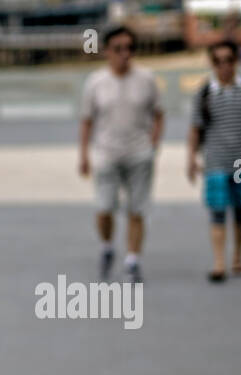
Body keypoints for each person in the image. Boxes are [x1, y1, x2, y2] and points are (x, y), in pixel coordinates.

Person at [186, 39, 241, 282]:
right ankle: (219, 262)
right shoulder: (205, 92)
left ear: (236, 60)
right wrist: (191, 159)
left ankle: (237, 256)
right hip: (215, 159)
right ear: (211, 63)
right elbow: (195, 128)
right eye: (217, 61)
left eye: (228, 60)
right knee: (217, 210)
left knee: (240, 209)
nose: (223, 66)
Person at [78, 25, 162, 283]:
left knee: (137, 209)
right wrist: (83, 154)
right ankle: (107, 247)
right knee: (104, 208)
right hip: (106, 153)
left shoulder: (147, 79)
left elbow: (159, 114)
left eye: (130, 48)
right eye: (118, 49)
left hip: (139, 153)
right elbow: (86, 120)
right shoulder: (95, 82)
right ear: (107, 51)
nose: (125, 54)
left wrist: (153, 145)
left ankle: (133, 260)